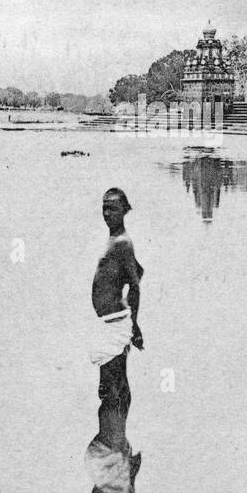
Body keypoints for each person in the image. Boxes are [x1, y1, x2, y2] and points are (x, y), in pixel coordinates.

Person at [89, 188, 144, 451]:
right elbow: (139, 270)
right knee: (112, 385)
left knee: (111, 388)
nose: (107, 213)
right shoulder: (115, 240)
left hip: (116, 324)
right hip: (108, 323)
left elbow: (135, 285)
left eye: (113, 208)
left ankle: (115, 444)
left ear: (125, 210)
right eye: (104, 208)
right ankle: (119, 446)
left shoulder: (122, 243)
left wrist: (134, 324)